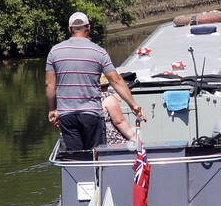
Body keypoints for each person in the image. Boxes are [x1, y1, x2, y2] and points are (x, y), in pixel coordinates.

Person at [45, 12, 146, 154]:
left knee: (75, 158)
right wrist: (133, 105)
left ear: (69, 30)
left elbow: (49, 85)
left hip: (66, 115)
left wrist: (52, 109)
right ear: (89, 28)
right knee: (95, 156)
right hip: (91, 114)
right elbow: (116, 80)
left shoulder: (54, 52)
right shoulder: (99, 52)